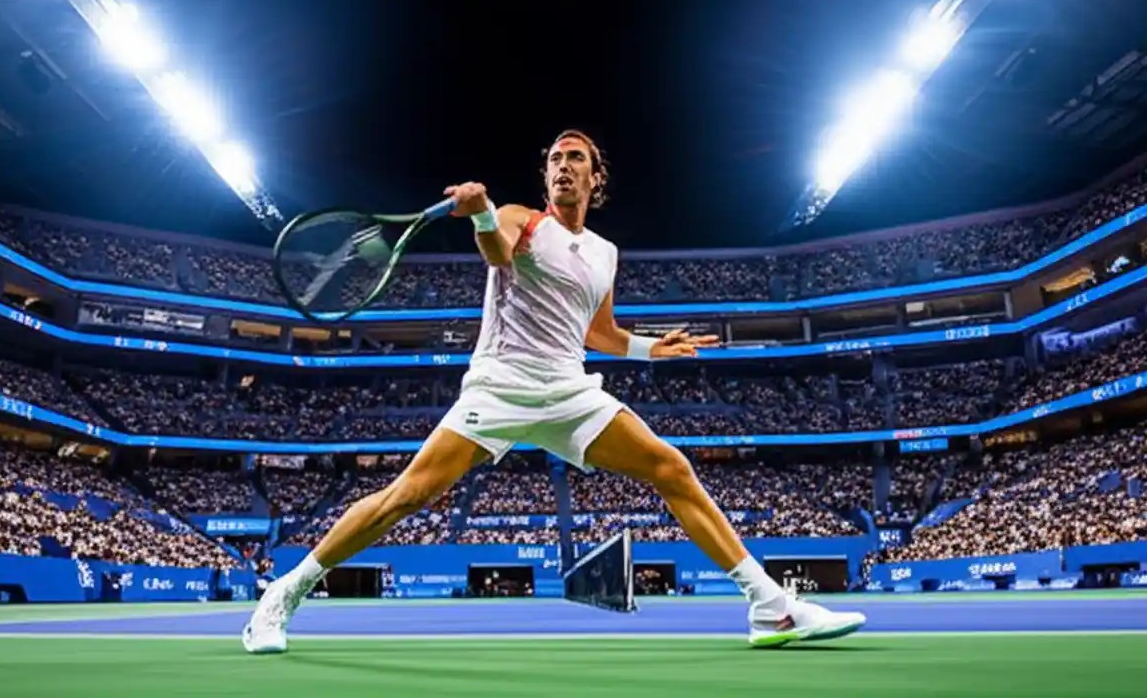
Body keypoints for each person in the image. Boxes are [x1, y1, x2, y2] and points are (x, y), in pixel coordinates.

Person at [242, 129, 865, 652]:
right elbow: (495, 253)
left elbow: (600, 332)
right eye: (555, 159)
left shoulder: (603, 252)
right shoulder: (520, 219)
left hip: (570, 391)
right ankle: (285, 591)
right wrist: (484, 210)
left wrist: (652, 348)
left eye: (576, 159)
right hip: (502, 384)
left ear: (596, 179)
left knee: (670, 468)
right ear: (546, 178)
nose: (563, 166)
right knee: (406, 496)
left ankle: (770, 607)